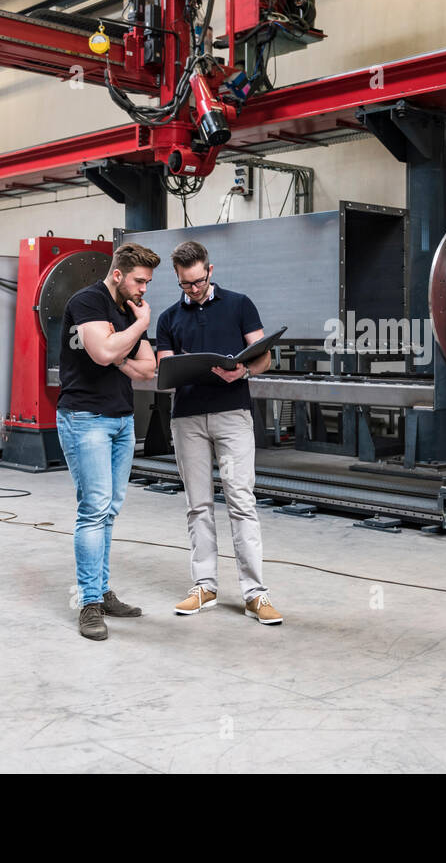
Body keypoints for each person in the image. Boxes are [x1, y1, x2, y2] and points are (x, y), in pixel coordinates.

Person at [154, 240, 282, 625]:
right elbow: (164, 369)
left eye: (196, 281)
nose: (192, 289)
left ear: (210, 271)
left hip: (232, 416)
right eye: (184, 284)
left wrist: (241, 371)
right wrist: (179, 368)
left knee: (241, 501)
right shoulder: (168, 318)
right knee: (198, 504)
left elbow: (264, 356)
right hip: (188, 419)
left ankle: (255, 594)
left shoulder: (240, 304)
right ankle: (204, 586)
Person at [56, 241, 160, 640]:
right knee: (93, 509)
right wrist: (137, 328)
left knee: (110, 510)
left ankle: (100, 590)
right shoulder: (88, 302)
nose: (144, 290)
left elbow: (148, 369)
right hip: (86, 418)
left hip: (121, 420)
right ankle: (89, 603)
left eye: (148, 283)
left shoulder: (128, 309)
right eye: (139, 281)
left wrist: (122, 353)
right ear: (118, 274)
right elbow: (100, 353)